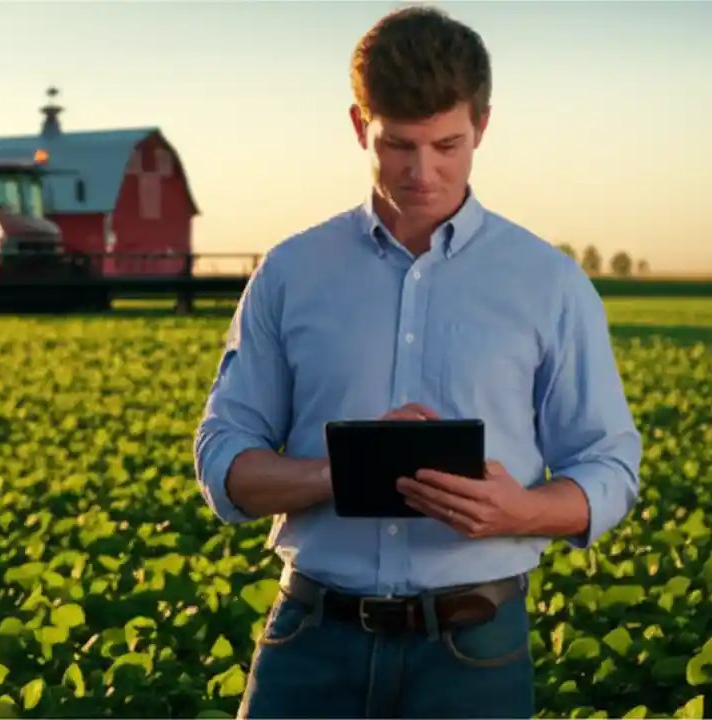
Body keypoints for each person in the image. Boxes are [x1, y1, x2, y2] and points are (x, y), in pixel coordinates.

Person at [192, 5, 641, 718]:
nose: (422, 171)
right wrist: (339, 474)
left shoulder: (548, 283)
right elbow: (223, 458)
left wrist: (521, 511)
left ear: (482, 126)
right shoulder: (290, 273)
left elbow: (609, 465)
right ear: (358, 126)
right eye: (397, 145)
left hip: (475, 651)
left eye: (447, 145)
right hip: (309, 641)